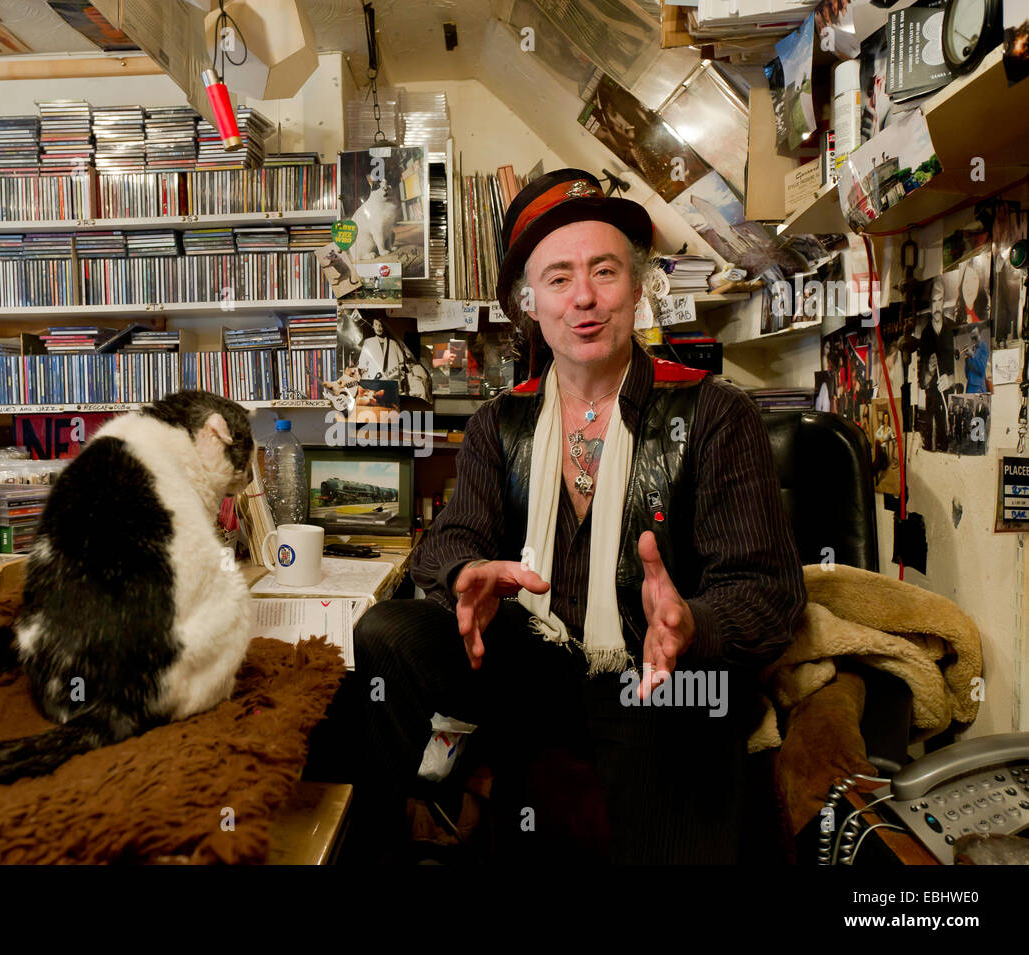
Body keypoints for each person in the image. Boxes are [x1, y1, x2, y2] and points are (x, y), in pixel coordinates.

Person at [305, 169, 806, 864]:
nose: (586, 299)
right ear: (529, 301)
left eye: (604, 271)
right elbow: (451, 537)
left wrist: (693, 623)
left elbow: (769, 592)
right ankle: (420, 825)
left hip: (657, 673)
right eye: (560, 278)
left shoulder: (715, 414)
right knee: (386, 631)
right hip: (538, 661)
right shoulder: (498, 422)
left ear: (636, 287)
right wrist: (467, 570)